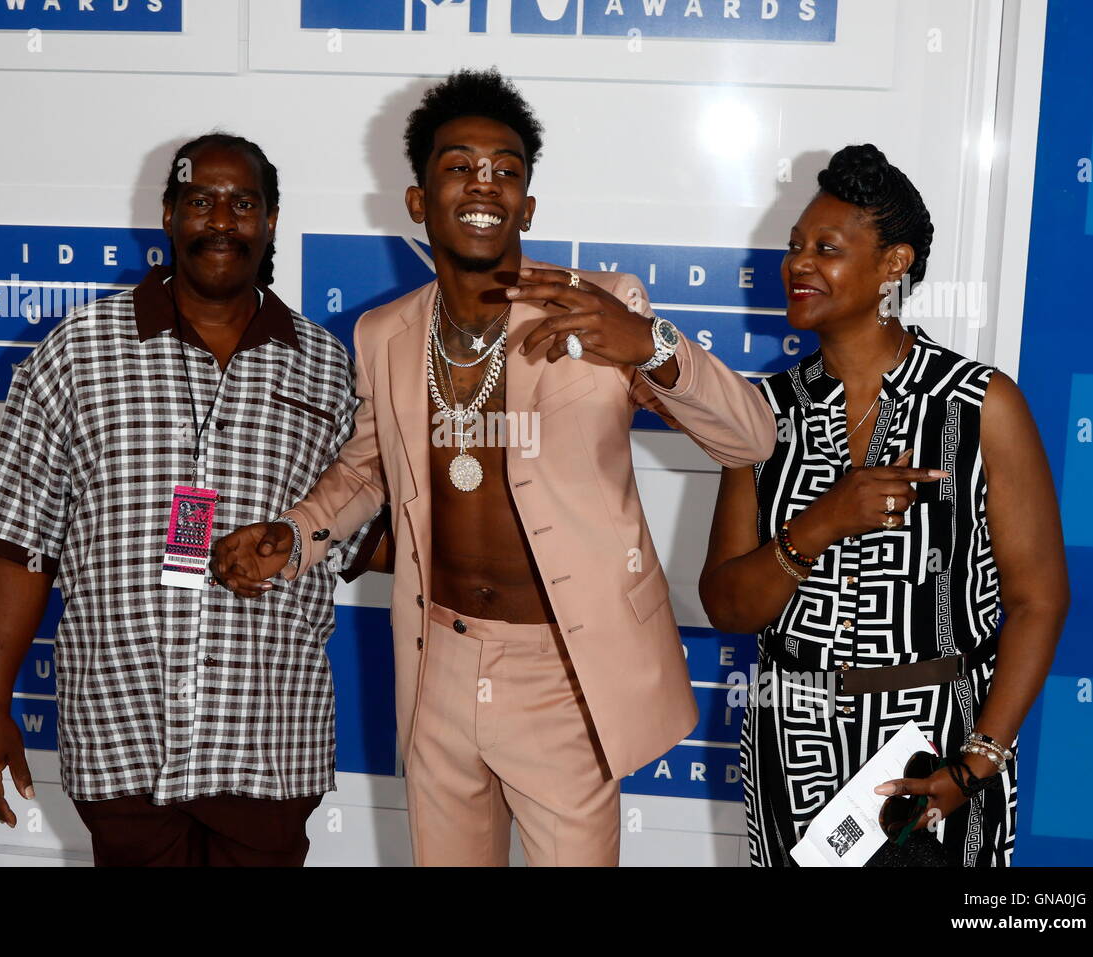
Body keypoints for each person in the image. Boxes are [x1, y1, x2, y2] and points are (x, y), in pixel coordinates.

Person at [212, 69, 776, 866]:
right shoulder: (382, 333)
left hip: (564, 668)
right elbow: (371, 466)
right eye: (460, 165)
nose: (486, 184)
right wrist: (300, 532)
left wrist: (648, 344)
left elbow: (750, 438)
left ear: (528, 206)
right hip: (436, 657)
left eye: (507, 170)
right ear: (417, 200)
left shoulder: (601, 305)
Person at [0, 133, 377, 866]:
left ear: (273, 219)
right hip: (123, 736)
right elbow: (23, 543)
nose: (222, 219)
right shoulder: (75, 352)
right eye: (200, 200)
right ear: (168, 214)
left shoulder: (327, 367)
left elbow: (360, 528)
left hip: (269, 744)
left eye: (244, 202)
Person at [699, 144, 1068, 866]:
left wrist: (978, 762)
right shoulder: (760, 413)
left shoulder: (979, 405)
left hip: (933, 749)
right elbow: (726, 605)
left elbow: (1039, 600)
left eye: (826, 248)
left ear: (893, 265)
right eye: (794, 246)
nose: (798, 263)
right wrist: (820, 524)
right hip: (790, 742)